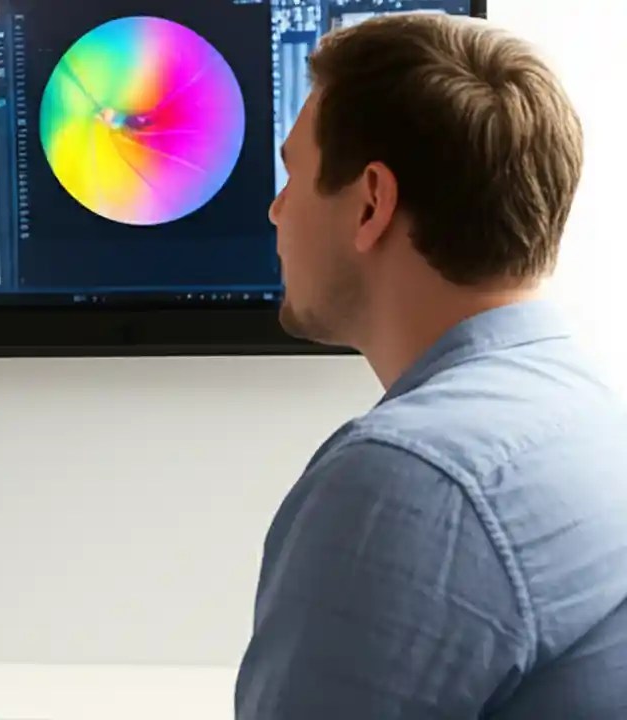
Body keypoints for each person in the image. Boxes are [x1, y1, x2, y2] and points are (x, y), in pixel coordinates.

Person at [235, 12, 627, 718]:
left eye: (291, 173)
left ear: (371, 204)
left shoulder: (408, 479)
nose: (275, 209)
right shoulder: (593, 409)